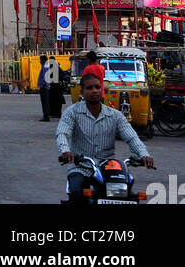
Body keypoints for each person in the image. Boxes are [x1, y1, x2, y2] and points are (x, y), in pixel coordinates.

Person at [56, 65, 154, 202]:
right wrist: (65, 151)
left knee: (127, 196)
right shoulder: (72, 112)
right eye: (89, 88)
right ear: (82, 92)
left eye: (97, 87)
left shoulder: (115, 115)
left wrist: (144, 154)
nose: (94, 91)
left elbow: (132, 137)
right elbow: (62, 133)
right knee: (77, 194)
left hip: (107, 168)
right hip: (81, 167)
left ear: (102, 89)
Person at [38, 54, 51, 121]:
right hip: (45, 87)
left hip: (44, 87)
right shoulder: (45, 66)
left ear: (43, 60)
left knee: (45, 102)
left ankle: (46, 116)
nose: (39, 61)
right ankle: (46, 115)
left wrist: (43, 85)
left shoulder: (45, 67)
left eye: (40, 60)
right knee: (45, 102)